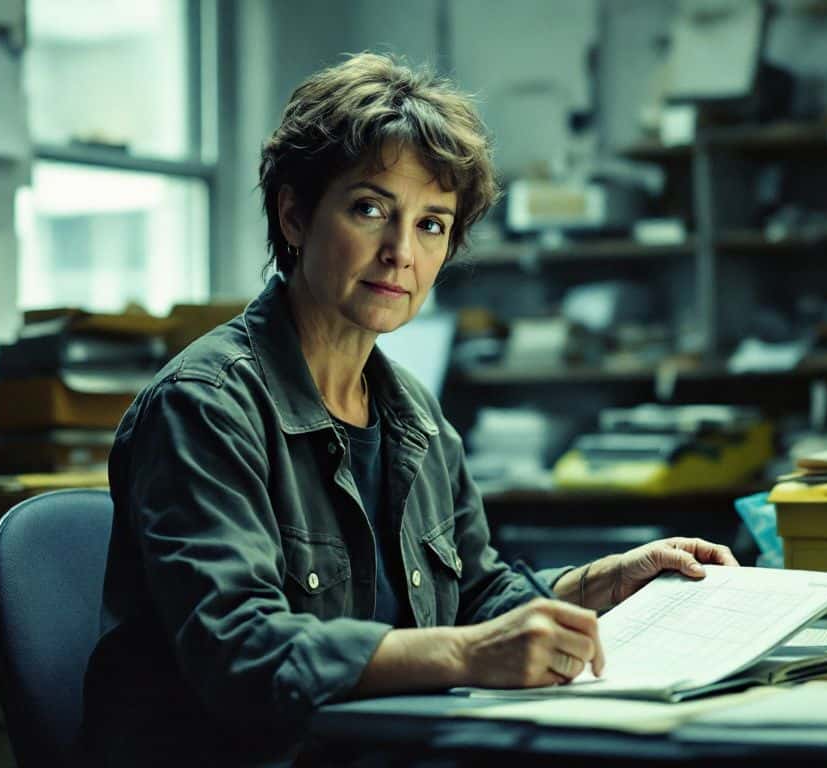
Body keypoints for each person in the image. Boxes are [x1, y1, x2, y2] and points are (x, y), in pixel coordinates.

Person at [81, 52, 738, 767]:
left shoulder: (413, 413)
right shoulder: (204, 405)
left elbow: (477, 596)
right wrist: (464, 654)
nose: (401, 252)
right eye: (370, 209)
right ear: (295, 215)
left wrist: (595, 587)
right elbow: (245, 652)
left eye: (431, 224)